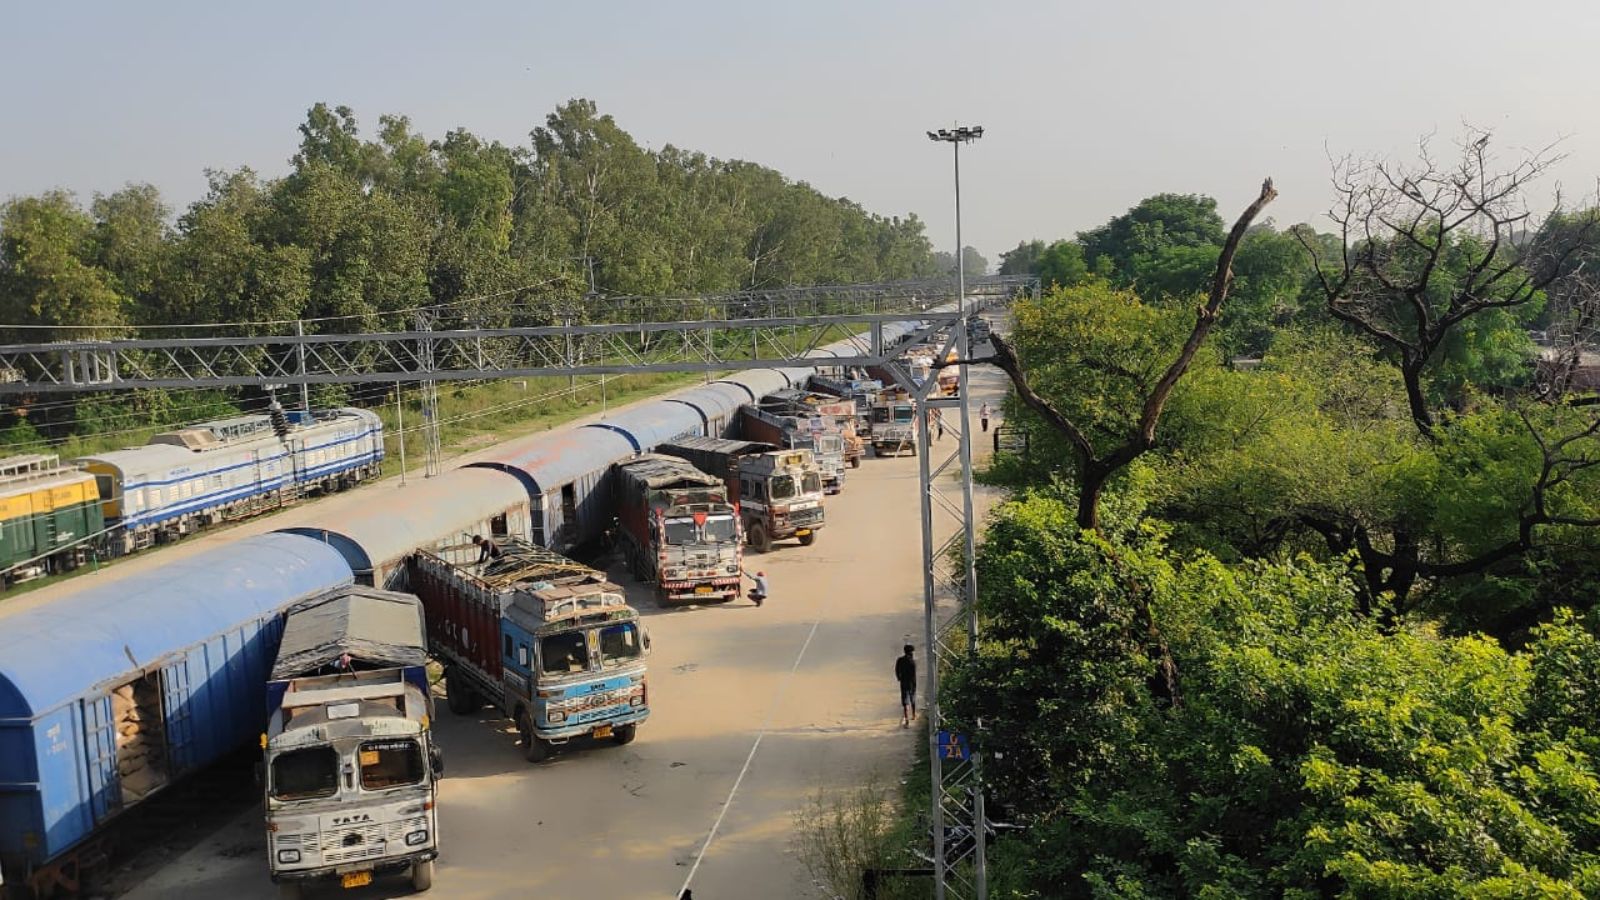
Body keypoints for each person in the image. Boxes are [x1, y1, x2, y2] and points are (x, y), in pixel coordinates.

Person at [896, 644, 917, 727]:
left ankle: (907, 719)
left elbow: (897, 670)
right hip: (912, 683)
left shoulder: (900, 660)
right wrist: (914, 683)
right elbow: (913, 674)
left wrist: (899, 678)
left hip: (904, 682)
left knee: (905, 701)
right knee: (912, 699)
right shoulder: (912, 662)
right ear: (911, 652)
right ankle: (914, 715)